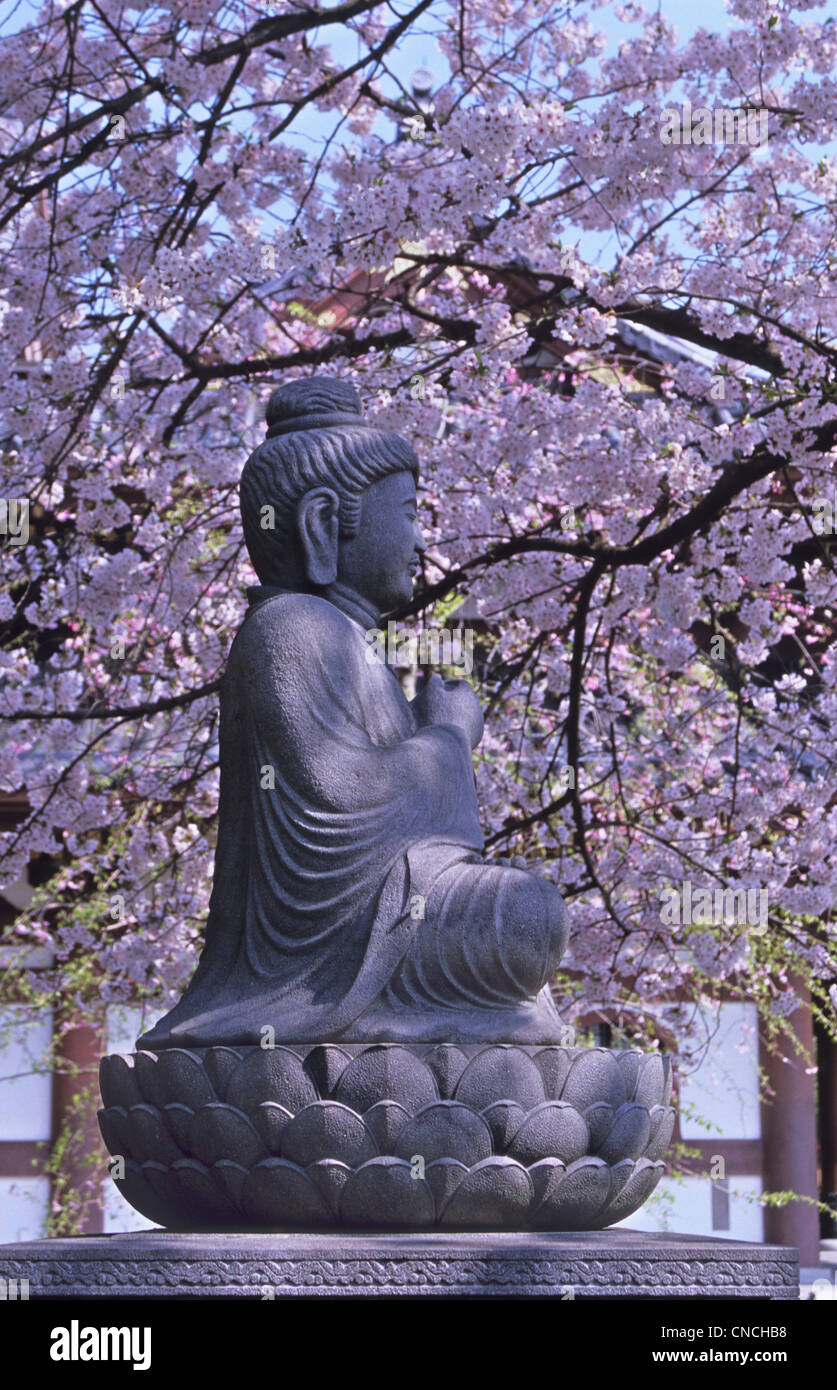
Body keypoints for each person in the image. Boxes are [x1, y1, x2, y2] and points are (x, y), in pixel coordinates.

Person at [139, 378, 568, 1047]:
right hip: (322, 958)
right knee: (523, 914)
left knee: (522, 915)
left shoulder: (355, 644)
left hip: (381, 929)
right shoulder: (291, 627)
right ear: (318, 524)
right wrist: (448, 736)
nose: (423, 542)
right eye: (408, 514)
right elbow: (336, 800)